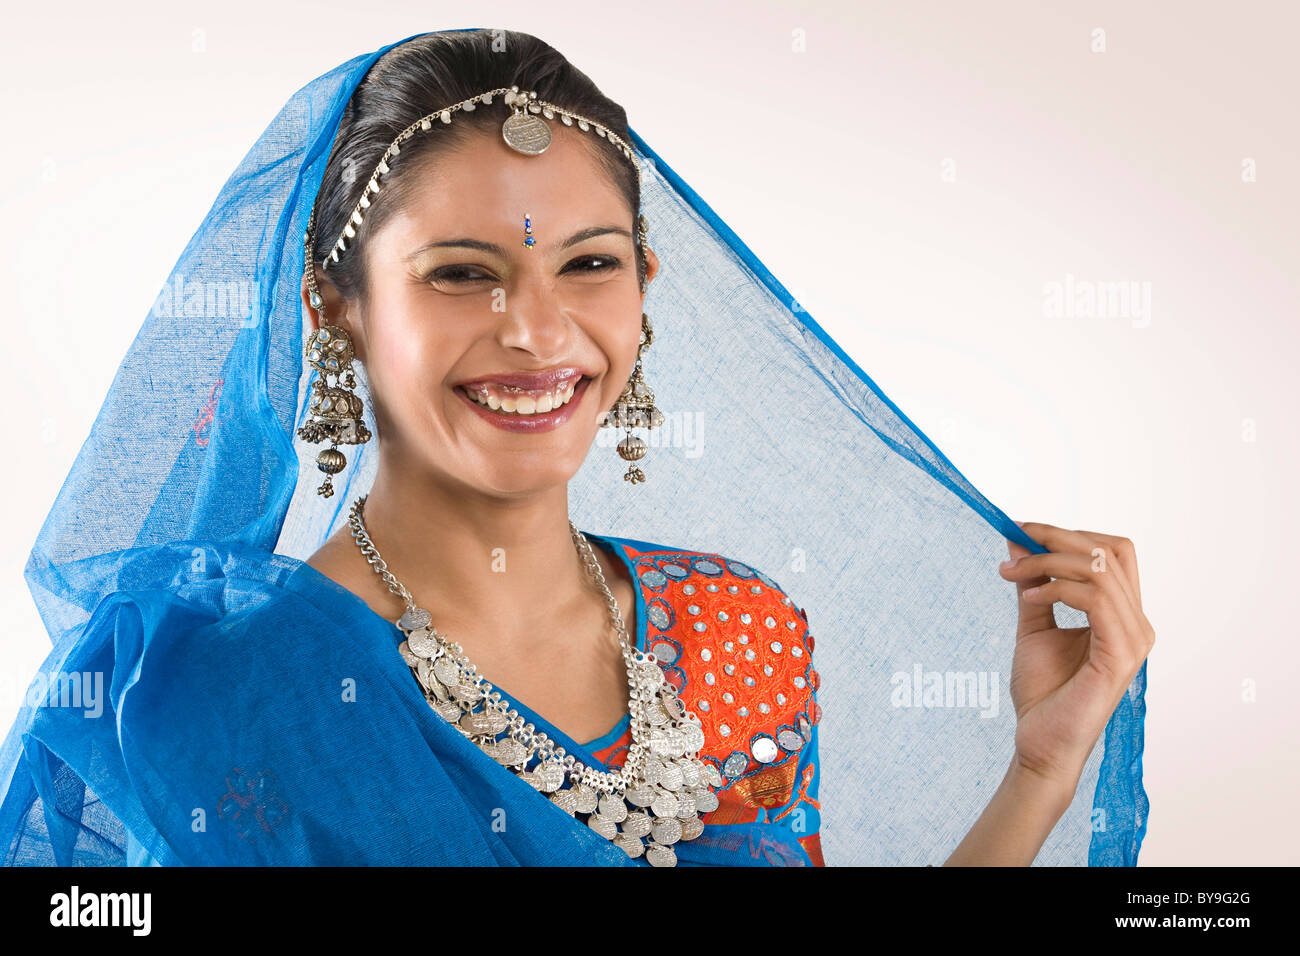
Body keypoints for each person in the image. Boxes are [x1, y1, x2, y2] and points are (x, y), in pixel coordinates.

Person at [0, 28, 1152, 867]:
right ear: (332, 305)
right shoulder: (205, 691)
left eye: (589, 264)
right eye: (461, 273)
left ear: (646, 289)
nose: (538, 332)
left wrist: (1039, 769)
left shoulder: (735, 628)